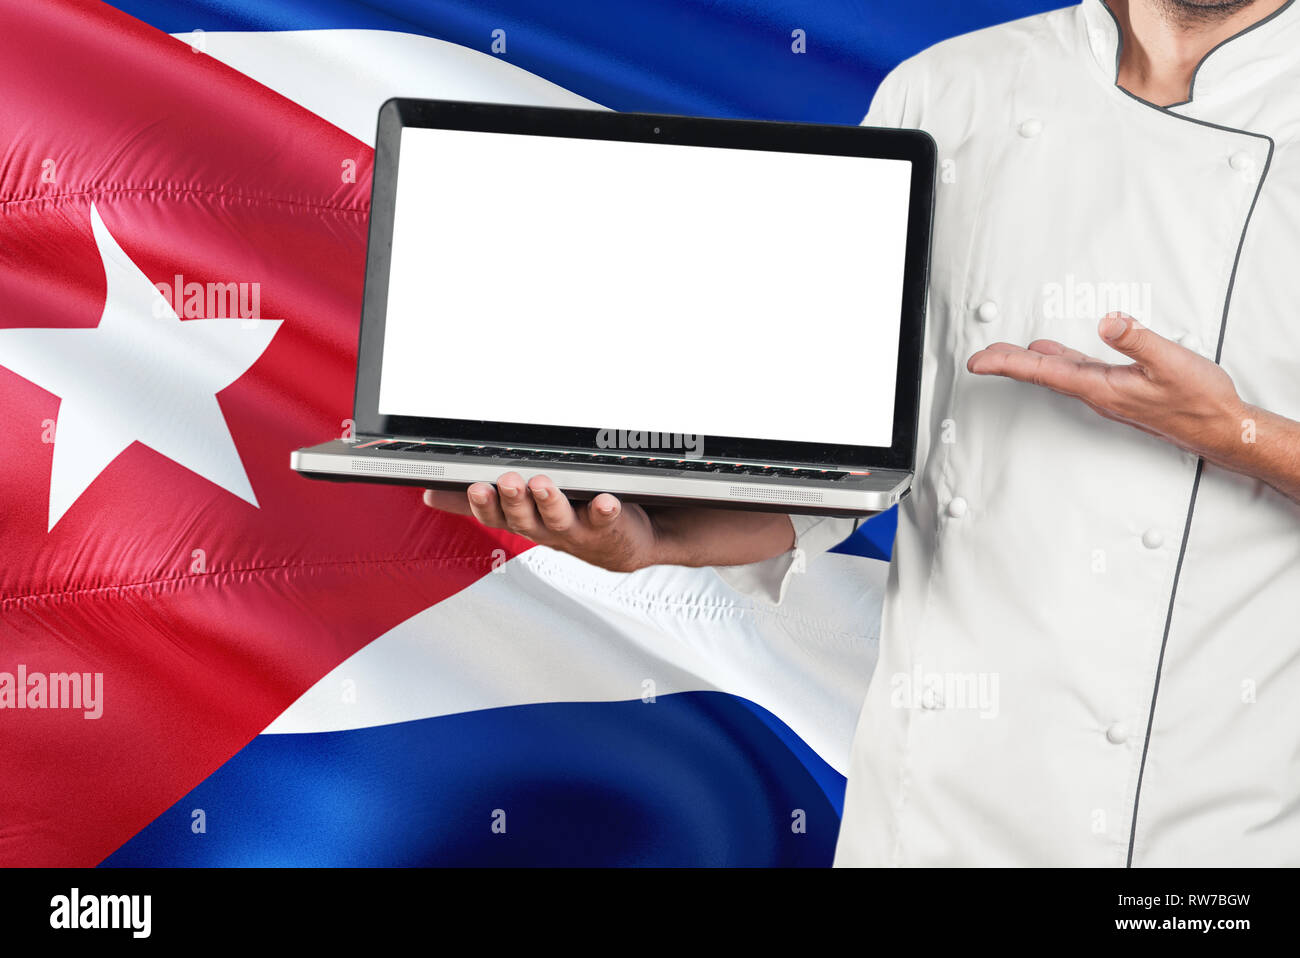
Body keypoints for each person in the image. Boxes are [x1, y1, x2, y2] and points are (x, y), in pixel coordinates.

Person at [425, 0, 1300, 865]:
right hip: (938, 816)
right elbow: (858, 450)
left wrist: (1239, 435)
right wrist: (661, 537)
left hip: (1220, 827)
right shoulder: (949, 89)